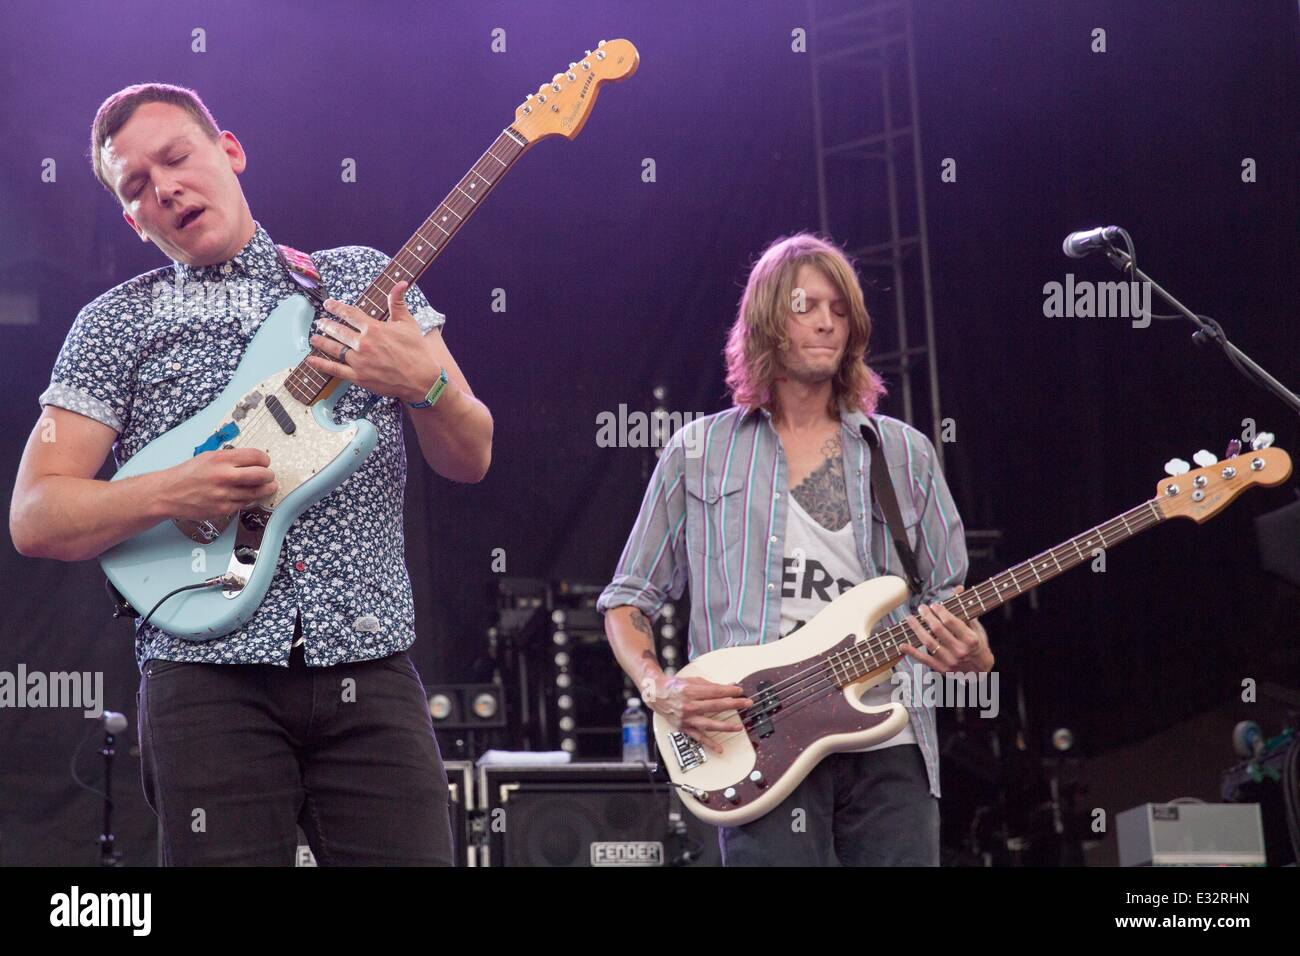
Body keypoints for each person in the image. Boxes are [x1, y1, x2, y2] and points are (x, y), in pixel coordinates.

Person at [9, 83, 493, 865]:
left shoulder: (361, 282)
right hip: (204, 683)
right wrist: (173, 491)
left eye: (176, 158)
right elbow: (35, 513)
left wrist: (424, 383)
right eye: (136, 187)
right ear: (133, 220)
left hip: (367, 668)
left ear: (228, 151)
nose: (164, 187)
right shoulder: (113, 324)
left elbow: (470, 456)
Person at [598, 232, 993, 866]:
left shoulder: (903, 453)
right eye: (806, 305)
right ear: (765, 320)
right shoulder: (697, 453)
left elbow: (947, 595)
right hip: (758, 735)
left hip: (889, 737)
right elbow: (627, 600)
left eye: (841, 311)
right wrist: (658, 688)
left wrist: (972, 651)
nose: (827, 323)